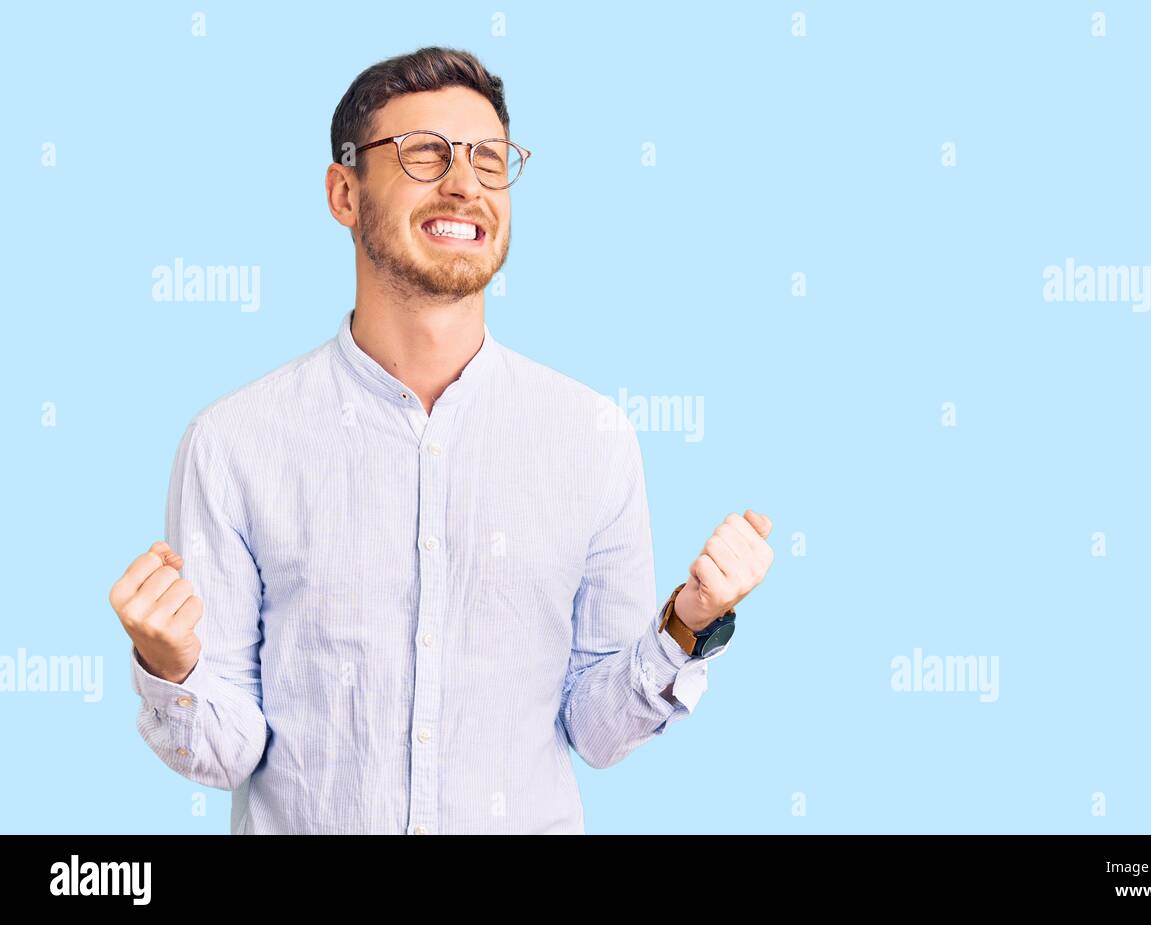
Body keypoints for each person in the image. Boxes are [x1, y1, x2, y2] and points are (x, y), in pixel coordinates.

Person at [107, 45, 773, 834]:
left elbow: (596, 729)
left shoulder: (591, 437)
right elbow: (227, 750)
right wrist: (171, 664)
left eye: (491, 161)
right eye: (425, 153)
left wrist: (689, 622)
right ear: (343, 192)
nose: (465, 182)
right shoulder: (235, 443)